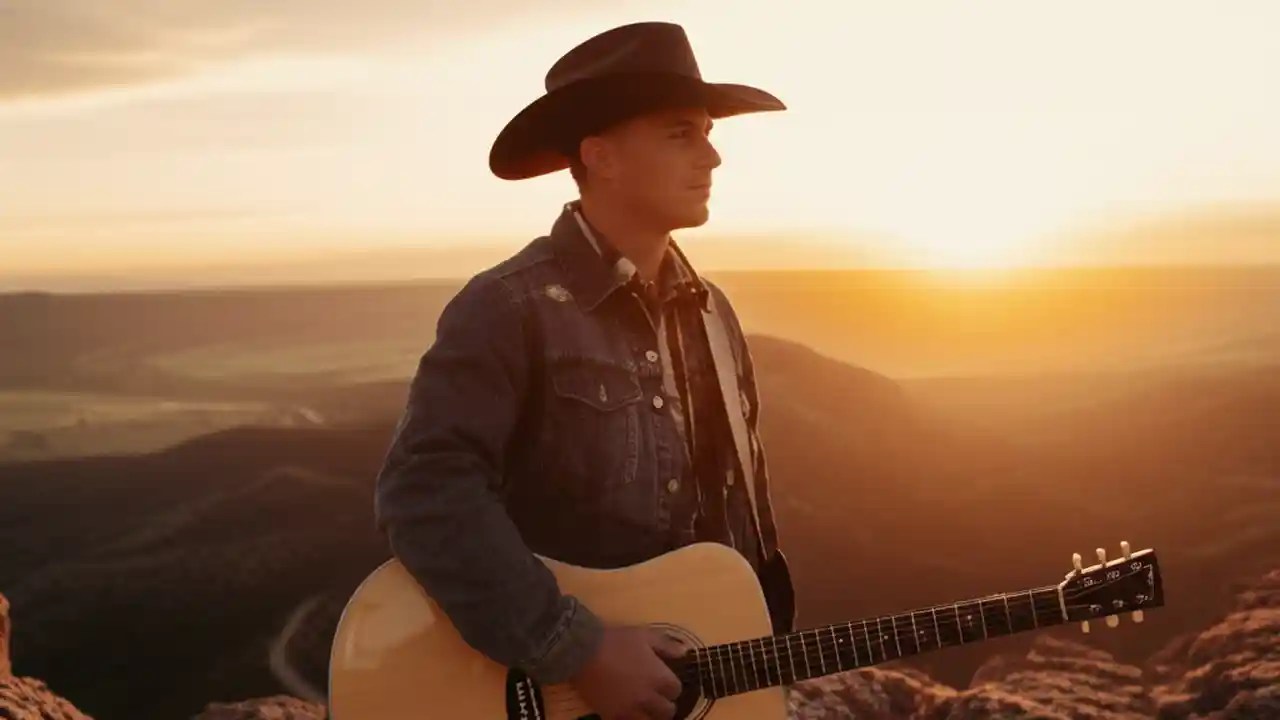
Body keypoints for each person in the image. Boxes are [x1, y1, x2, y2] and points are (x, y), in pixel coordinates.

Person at [373, 21, 793, 720]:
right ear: (601, 155)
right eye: (680, 133)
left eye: (709, 132)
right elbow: (424, 495)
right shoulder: (507, 306)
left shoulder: (713, 314)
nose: (713, 156)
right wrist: (577, 650)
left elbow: (734, 538)